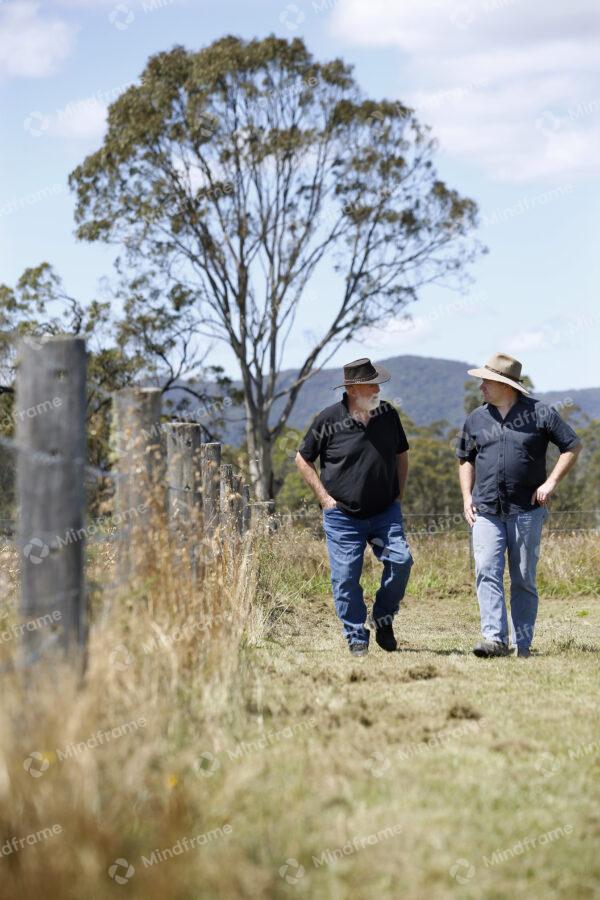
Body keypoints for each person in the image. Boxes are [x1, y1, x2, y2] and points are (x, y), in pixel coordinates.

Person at [456, 352, 582, 658]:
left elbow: (572, 445)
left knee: (524, 577)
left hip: (526, 511)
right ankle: (493, 639)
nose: (482, 386)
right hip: (486, 510)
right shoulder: (476, 418)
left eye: (487, 381)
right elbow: (465, 458)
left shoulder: (540, 413)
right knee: (486, 570)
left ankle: (521, 644)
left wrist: (550, 482)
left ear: (506, 385)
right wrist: (466, 496)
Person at [295, 358, 413, 657]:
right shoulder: (327, 419)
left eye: (377, 384)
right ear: (350, 388)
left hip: (385, 511)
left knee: (401, 561)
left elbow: (401, 454)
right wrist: (325, 499)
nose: (377, 389)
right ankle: (355, 634)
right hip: (342, 516)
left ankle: (383, 618)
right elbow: (302, 458)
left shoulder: (388, 415)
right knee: (346, 577)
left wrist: (398, 494)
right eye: (370, 384)